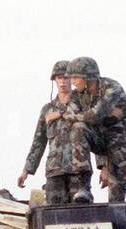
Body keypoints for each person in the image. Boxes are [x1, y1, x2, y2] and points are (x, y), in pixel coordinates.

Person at [18, 60, 93, 204]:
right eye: (59, 78)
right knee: (54, 214)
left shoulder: (84, 104)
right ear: (54, 80)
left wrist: (104, 166)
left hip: (78, 170)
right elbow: (38, 142)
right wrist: (27, 170)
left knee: (81, 212)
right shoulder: (47, 110)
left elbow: (96, 134)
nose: (63, 81)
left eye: (66, 77)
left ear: (72, 79)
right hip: (55, 170)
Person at [69, 57, 126, 202]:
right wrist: (102, 165)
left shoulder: (112, 88)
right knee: (79, 128)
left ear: (88, 77)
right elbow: (90, 122)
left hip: (121, 146)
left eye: (75, 77)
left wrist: (77, 116)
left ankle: (119, 221)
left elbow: (94, 117)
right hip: (103, 142)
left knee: (116, 193)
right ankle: (84, 186)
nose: (72, 82)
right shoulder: (78, 95)